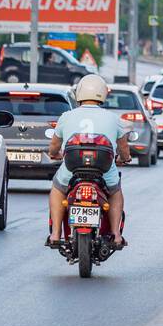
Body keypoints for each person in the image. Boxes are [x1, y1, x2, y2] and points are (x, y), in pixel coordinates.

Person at [46, 74, 132, 248]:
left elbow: (54, 145)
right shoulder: (113, 118)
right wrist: (125, 158)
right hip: (104, 169)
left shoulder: (67, 116)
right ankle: (115, 235)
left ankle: (55, 234)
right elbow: (123, 147)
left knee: (57, 189)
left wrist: (54, 153)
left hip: (72, 168)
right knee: (115, 192)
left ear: (79, 94)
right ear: (102, 94)